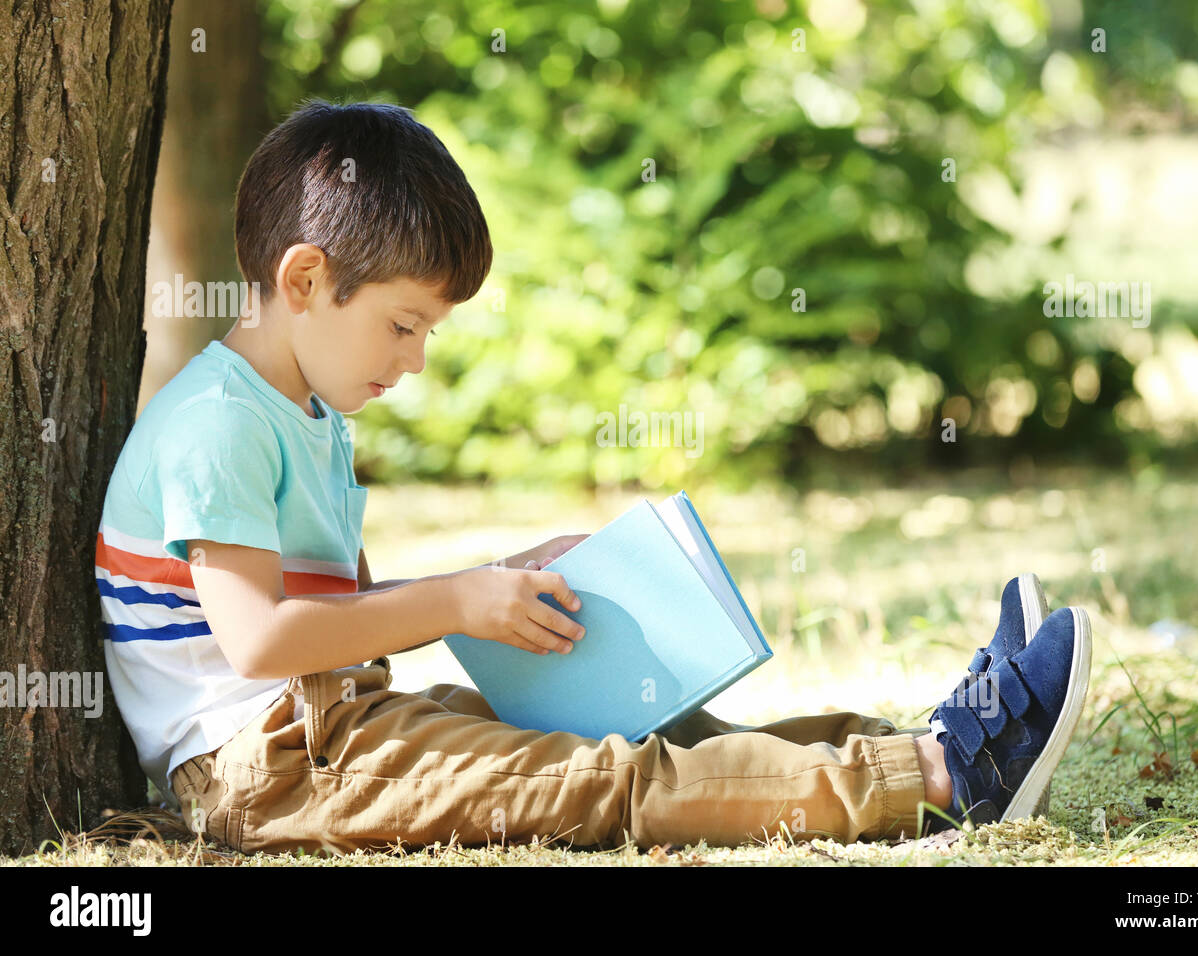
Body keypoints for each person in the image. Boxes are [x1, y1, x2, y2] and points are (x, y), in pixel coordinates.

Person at [96, 101, 1092, 855]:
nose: (414, 362)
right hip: (270, 771)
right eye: (403, 326)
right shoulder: (220, 422)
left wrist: (495, 577)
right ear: (305, 280)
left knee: (616, 716)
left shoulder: (300, 409)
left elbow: (332, 614)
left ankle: (923, 744)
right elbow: (263, 639)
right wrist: (456, 600)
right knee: (598, 778)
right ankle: (939, 778)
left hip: (330, 730)